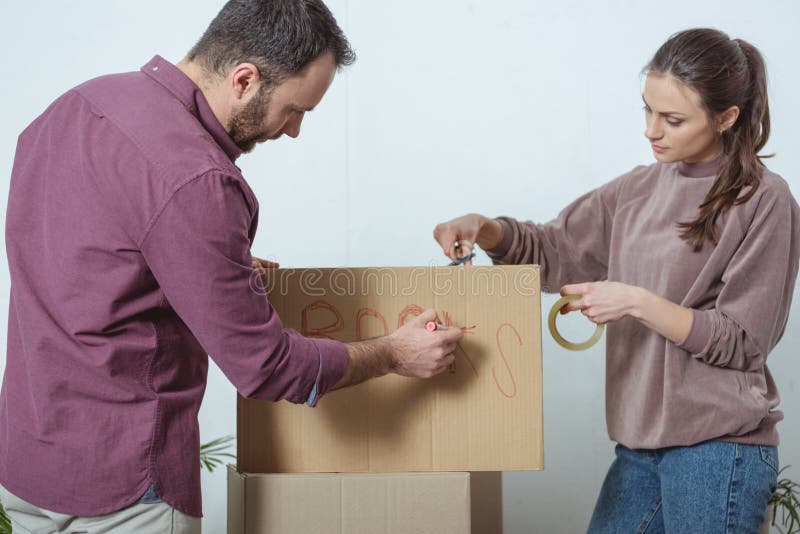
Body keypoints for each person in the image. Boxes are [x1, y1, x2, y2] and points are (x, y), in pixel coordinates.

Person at [0, 0, 462, 532]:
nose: (293, 132)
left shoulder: (73, 108)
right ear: (244, 80)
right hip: (124, 489)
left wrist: (200, 268)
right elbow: (265, 368)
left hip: (30, 466)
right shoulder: (195, 179)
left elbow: (84, 263)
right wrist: (393, 354)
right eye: (296, 110)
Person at [434, 28, 799, 533]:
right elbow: (551, 251)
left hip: (720, 451)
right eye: (647, 110)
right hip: (639, 449)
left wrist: (634, 301)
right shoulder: (636, 189)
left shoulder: (763, 201)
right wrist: (485, 227)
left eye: (672, 119)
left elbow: (742, 340)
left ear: (726, 118)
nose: (652, 130)